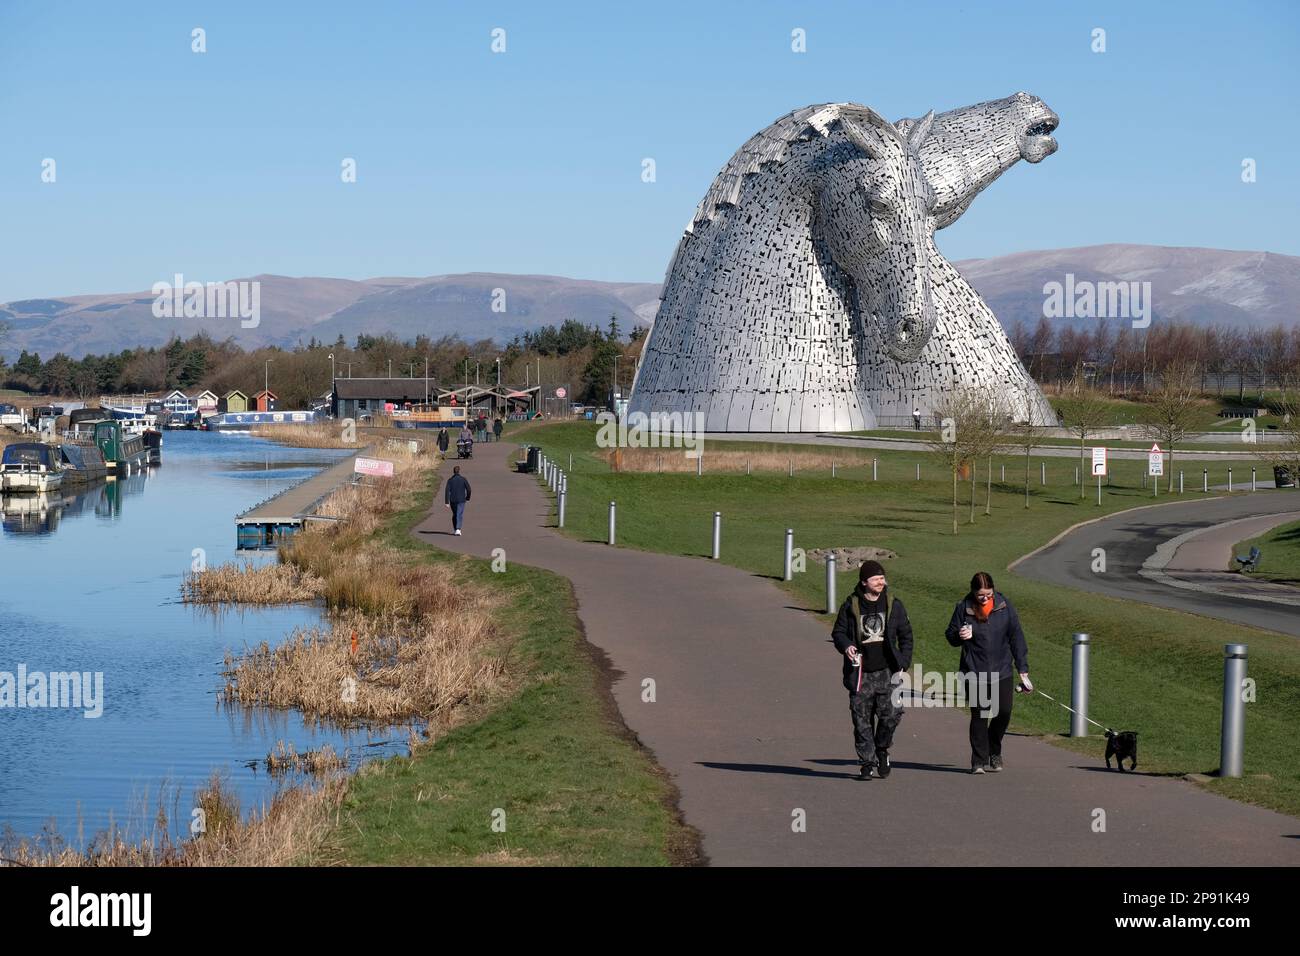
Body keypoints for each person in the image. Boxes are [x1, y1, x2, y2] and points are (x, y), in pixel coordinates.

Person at [830, 560, 914, 780]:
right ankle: (866, 762)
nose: (881, 582)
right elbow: (838, 632)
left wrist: (904, 661)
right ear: (864, 582)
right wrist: (847, 646)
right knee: (861, 720)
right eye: (876, 579)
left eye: (882, 578)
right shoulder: (851, 604)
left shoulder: (894, 604)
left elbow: (906, 635)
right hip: (860, 673)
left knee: (892, 715)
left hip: (888, 671)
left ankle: (882, 749)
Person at [945, 571, 1032, 774]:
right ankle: (978, 760)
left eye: (988, 594)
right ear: (973, 592)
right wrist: (960, 635)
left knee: (1003, 712)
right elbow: (950, 636)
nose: (985, 598)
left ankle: (994, 749)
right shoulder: (963, 608)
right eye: (981, 595)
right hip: (974, 670)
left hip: (1002, 669)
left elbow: (1016, 637)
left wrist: (1023, 669)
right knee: (980, 714)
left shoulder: (1004, 606)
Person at [444, 465, 471, 535]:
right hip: (461, 500)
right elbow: (469, 489)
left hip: (453, 500)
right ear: (459, 471)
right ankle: (458, 529)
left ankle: (456, 529)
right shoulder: (463, 479)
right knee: (459, 514)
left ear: (453, 471)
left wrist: (447, 502)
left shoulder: (450, 480)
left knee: (455, 514)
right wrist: (468, 497)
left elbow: (447, 491)